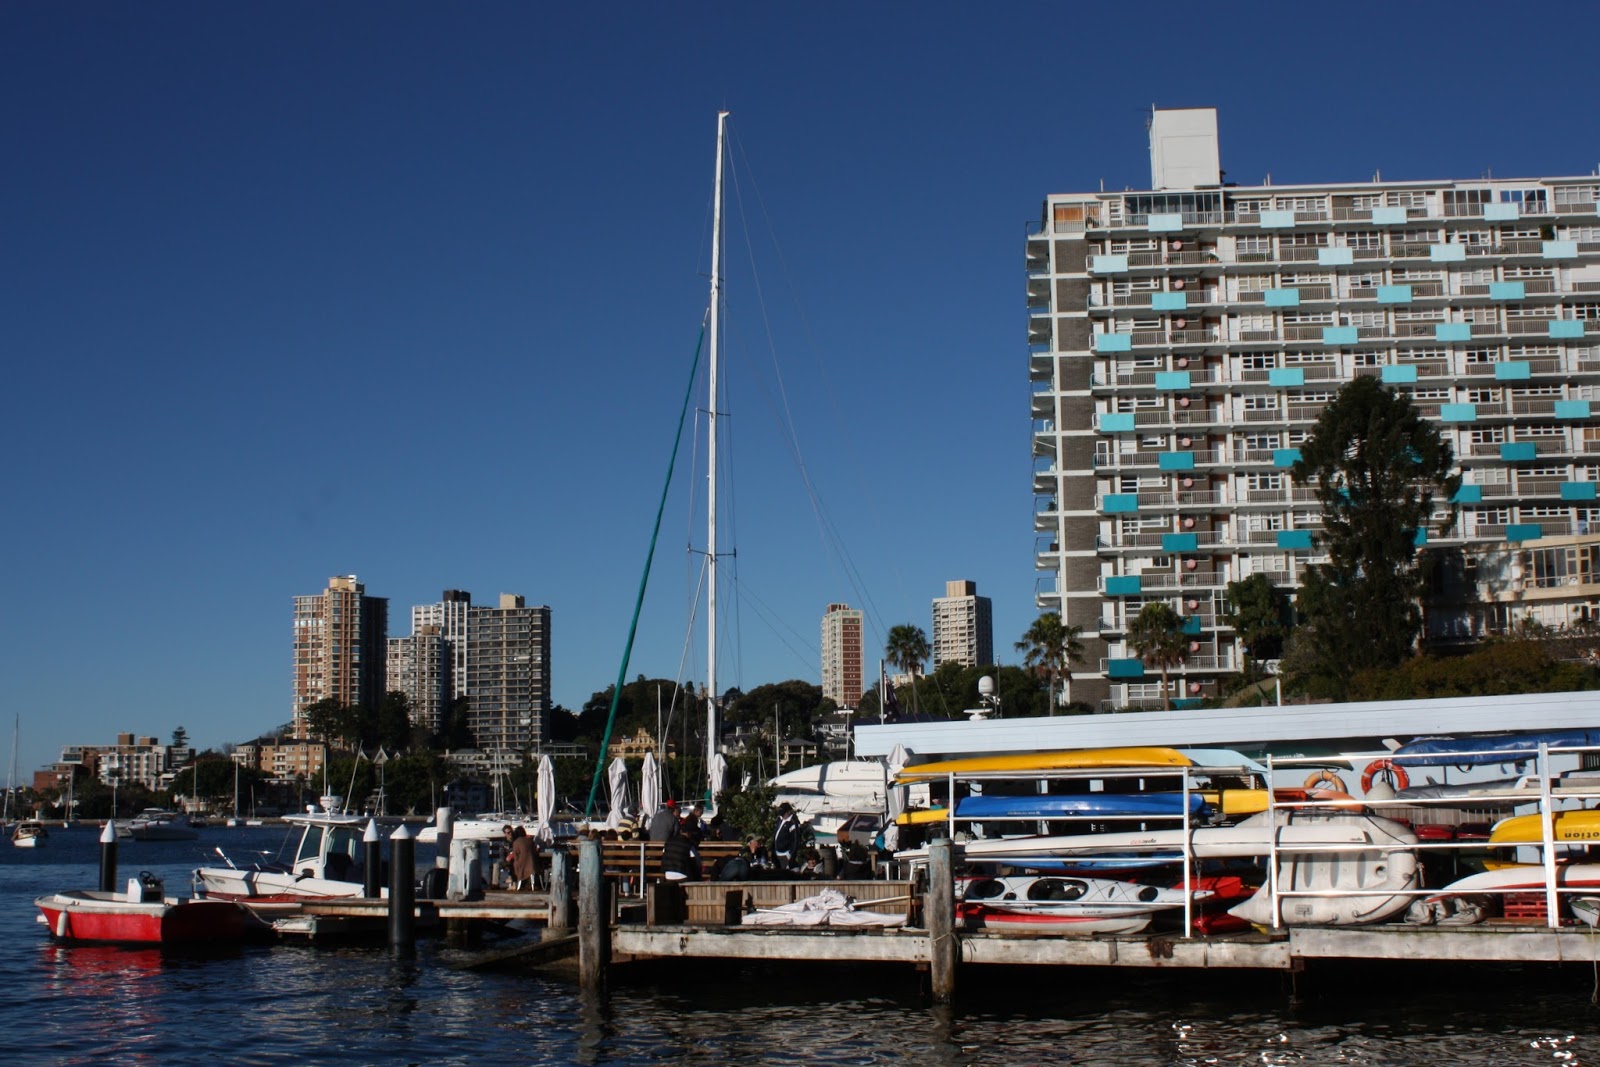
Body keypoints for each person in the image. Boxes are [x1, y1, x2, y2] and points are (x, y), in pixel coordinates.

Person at [508, 825, 540, 891]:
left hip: (522, 864)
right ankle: (531, 884)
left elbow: (516, 855)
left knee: (512, 865)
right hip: (532, 864)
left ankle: (515, 883)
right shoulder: (530, 840)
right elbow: (535, 851)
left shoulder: (516, 842)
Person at [772, 803, 801, 870]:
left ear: (788, 811)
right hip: (777, 854)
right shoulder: (780, 820)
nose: (782, 815)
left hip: (785, 854)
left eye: (783, 813)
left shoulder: (793, 822)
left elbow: (795, 840)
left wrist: (790, 854)